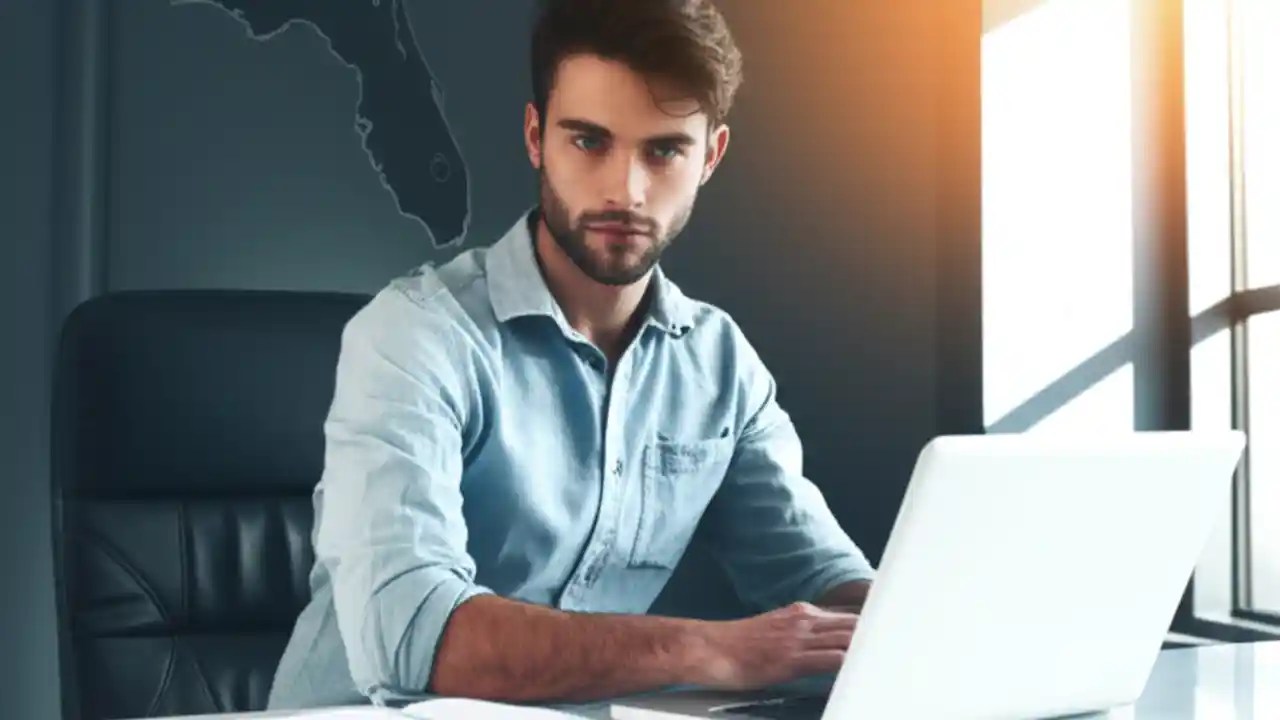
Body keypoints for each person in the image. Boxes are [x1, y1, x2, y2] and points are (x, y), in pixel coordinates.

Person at [268, 0, 875, 709]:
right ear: (536, 137)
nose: (626, 189)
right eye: (589, 142)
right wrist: (714, 649)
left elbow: (823, 584)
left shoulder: (718, 368)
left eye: (664, 150)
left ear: (710, 156)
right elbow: (412, 638)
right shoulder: (415, 337)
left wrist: (915, 623)